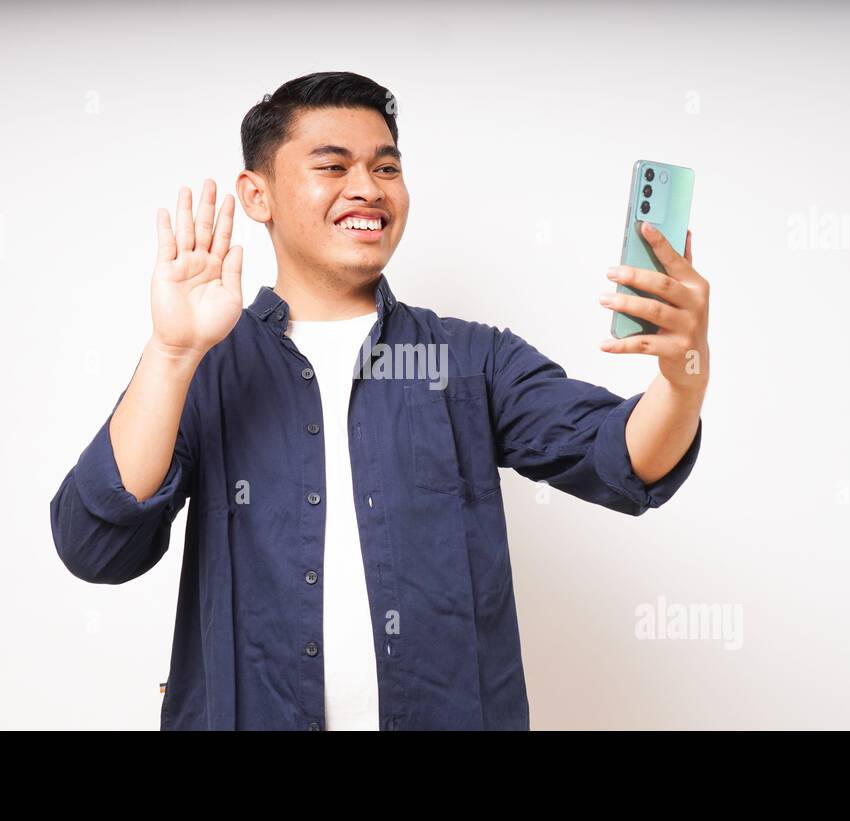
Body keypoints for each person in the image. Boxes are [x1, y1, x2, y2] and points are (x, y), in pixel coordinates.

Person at [49, 71, 709, 730]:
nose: (367, 187)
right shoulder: (205, 367)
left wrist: (683, 377)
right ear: (258, 194)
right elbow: (95, 544)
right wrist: (170, 354)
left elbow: (624, 459)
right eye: (333, 166)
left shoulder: (472, 360)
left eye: (386, 167)